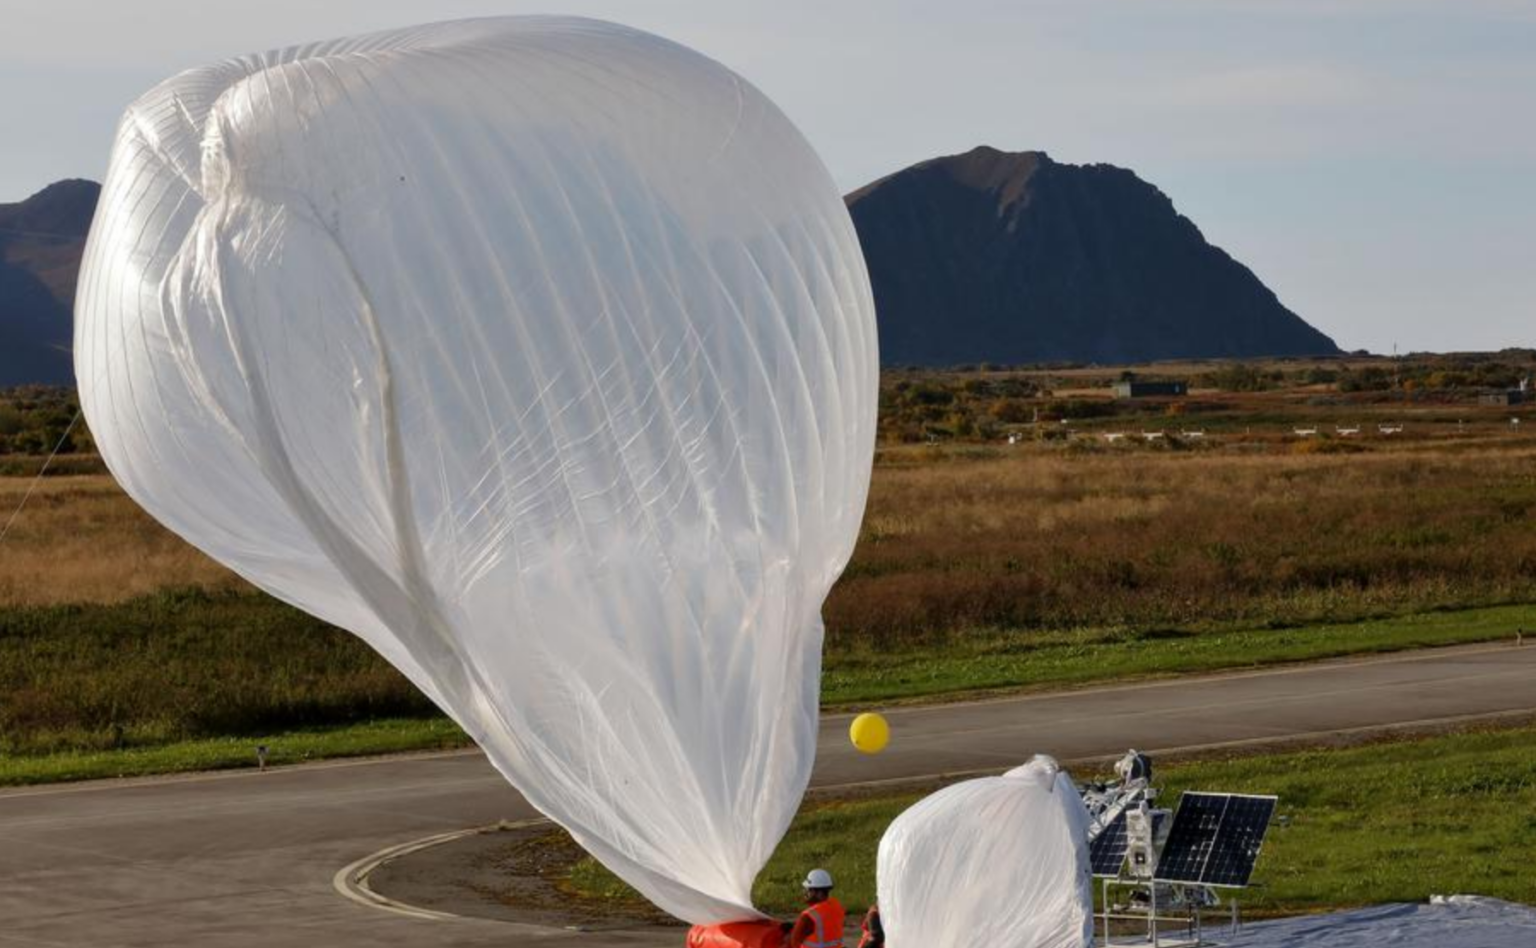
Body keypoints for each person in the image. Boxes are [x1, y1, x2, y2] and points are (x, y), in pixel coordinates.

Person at [784, 869, 845, 948]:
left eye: (808, 889)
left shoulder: (808, 916)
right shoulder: (836, 906)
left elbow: (794, 941)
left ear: (819, 893)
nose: (805, 893)